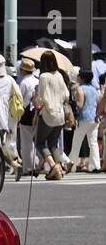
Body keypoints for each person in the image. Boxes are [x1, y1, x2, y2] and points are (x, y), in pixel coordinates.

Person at [33, 51, 69, 179]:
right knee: (53, 144)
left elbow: (41, 98)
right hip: (60, 114)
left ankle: (53, 166)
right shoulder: (59, 75)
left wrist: (37, 102)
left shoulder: (43, 77)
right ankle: (59, 170)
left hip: (48, 114)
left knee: (40, 143)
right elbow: (66, 95)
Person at [69, 68, 100, 172]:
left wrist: (73, 101)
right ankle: (95, 165)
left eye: (78, 75)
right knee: (93, 142)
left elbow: (80, 105)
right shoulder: (93, 89)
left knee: (76, 142)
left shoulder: (79, 89)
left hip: (84, 118)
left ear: (81, 78)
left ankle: (71, 165)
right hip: (94, 118)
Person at [16, 56, 39, 172]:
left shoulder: (24, 83)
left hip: (26, 113)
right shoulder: (37, 80)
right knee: (34, 141)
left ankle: (28, 168)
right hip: (37, 112)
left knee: (26, 142)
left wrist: (18, 117)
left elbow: (21, 101)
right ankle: (36, 164)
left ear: (24, 71)